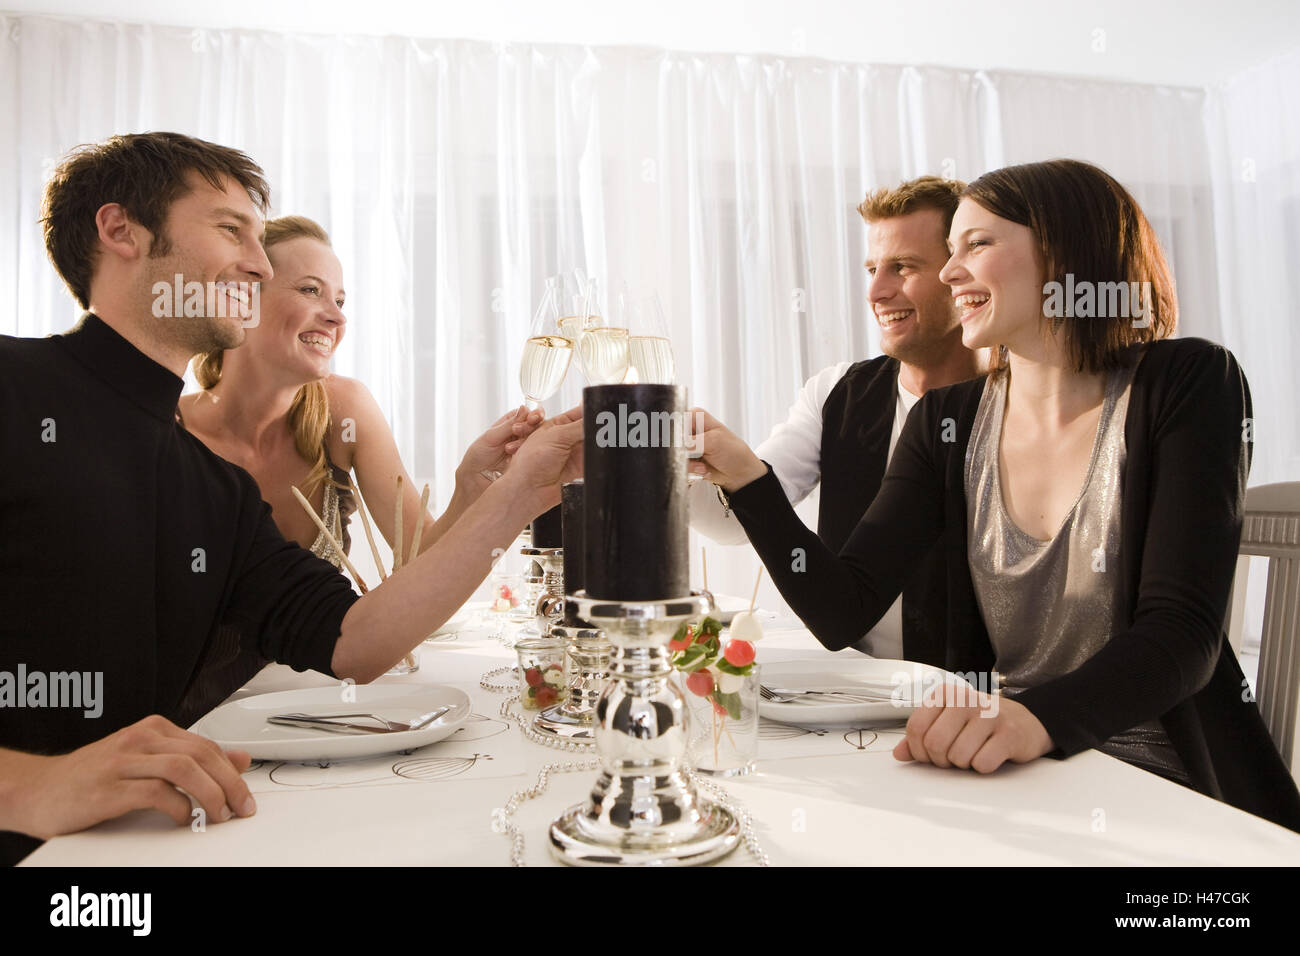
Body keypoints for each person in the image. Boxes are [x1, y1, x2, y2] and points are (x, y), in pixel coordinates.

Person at [0, 132, 582, 863]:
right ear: (121, 231)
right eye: (229, 228)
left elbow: (358, 642)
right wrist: (30, 786)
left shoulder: (216, 490)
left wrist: (518, 495)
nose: (259, 261)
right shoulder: (11, 387)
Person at [689, 159, 1300, 832]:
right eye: (949, 252)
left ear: (1065, 249)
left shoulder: (1187, 382)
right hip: (1013, 771)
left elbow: (1181, 634)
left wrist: (1035, 719)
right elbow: (842, 608)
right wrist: (746, 478)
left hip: (1164, 784)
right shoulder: (946, 422)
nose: (950, 273)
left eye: (976, 244)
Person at [689, 177, 982, 658]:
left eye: (902, 267)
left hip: (984, 707)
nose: (876, 291)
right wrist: (669, 469)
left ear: (959, 274)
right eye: (872, 268)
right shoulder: (836, 393)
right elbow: (734, 522)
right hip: (856, 694)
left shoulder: (1021, 398)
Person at [177, 215, 535, 570]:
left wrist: (468, 484)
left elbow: (421, 560)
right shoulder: (169, 428)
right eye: (310, 290)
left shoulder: (344, 411)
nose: (337, 318)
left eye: (341, 301)